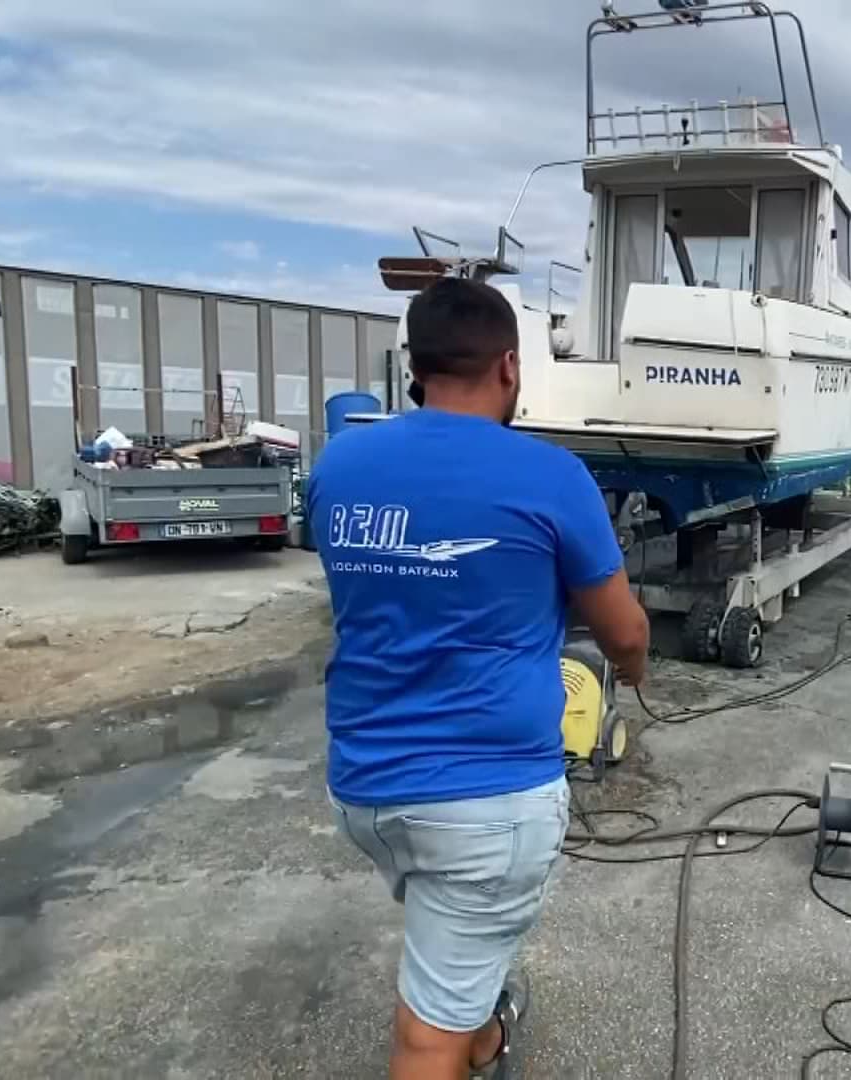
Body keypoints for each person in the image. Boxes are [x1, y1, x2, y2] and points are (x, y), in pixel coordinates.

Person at [308, 277, 650, 1079]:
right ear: (509, 365)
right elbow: (623, 630)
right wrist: (633, 669)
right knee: (425, 1039)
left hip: (363, 788)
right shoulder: (552, 476)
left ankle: (487, 1038)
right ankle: (459, 1044)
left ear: (414, 367)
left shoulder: (341, 463)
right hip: (483, 804)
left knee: (454, 939)